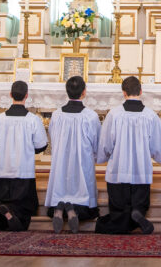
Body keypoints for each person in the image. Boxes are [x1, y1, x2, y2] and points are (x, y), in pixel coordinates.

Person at [95, 76, 161, 234]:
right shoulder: (150, 115)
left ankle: (124, 217)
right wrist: (158, 157)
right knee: (140, 202)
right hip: (140, 170)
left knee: (116, 212)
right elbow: (158, 142)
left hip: (118, 169)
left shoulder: (114, 115)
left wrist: (103, 157)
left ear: (123, 93)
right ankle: (137, 213)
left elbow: (106, 142)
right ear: (141, 91)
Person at [0, 80, 47, 232]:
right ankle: (13, 215)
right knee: (23, 207)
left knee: (0, 197)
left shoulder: (0, 119)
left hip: (2, 170)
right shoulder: (33, 119)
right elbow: (41, 145)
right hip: (23, 171)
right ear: (27, 96)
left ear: (10, 95)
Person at [45, 76, 101, 233]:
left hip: (61, 159)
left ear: (67, 92)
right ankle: (75, 210)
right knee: (82, 187)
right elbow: (96, 141)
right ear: (84, 92)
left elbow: (53, 139)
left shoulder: (56, 115)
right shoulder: (90, 116)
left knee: (61, 182)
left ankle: (59, 208)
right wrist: (94, 157)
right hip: (82, 160)